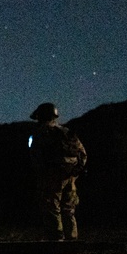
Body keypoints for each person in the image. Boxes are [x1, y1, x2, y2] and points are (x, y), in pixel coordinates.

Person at [27, 102, 88, 240]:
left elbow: (36, 158)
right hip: (71, 176)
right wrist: (75, 172)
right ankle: (72, 240)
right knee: (69, 210)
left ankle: (56, 240)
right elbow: (83, 154)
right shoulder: (66, 132)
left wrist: (42, 174)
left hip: (52, 176)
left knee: (51, 208)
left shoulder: (40, 134)